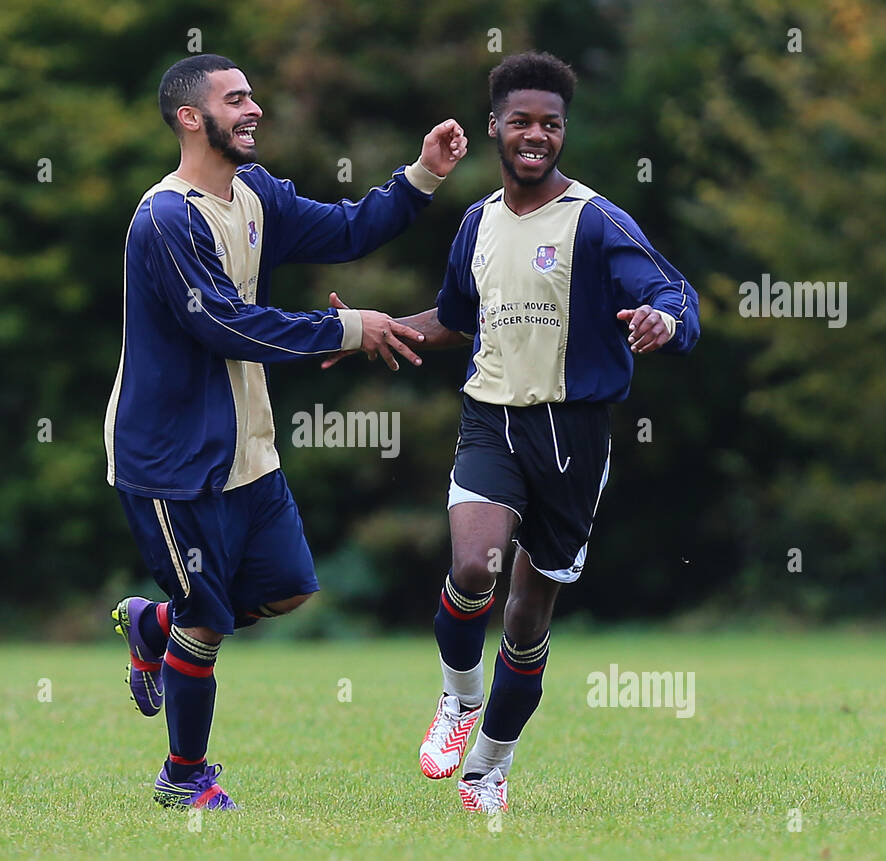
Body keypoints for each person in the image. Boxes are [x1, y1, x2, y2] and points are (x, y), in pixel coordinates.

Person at [327, 51, 700, 811]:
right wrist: (373, 330)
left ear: (564, 133)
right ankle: (458, 701)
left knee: (527, 621)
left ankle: (488, 771)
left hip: (573, 440)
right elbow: (457, 322)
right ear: (495, 125)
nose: (536, 135)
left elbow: (672, 290)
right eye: (522, 121)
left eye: (551, 124)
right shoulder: (477, 224)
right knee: (473, 569)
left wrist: (665, 319)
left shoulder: (596, 221)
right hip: (491, 422)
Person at [105, 53, 466, 810]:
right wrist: (346, 328)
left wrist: (423, 175)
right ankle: (183, 779)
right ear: (190, 119)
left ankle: (153, 625)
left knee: (288, 590)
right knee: (209, 620)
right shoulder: (165, 217)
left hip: (249, 449)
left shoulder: (255, 194)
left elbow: (347, 230)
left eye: (252, 96)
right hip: (172, 461)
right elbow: (224, 326)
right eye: (234, 99)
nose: (254, 108)